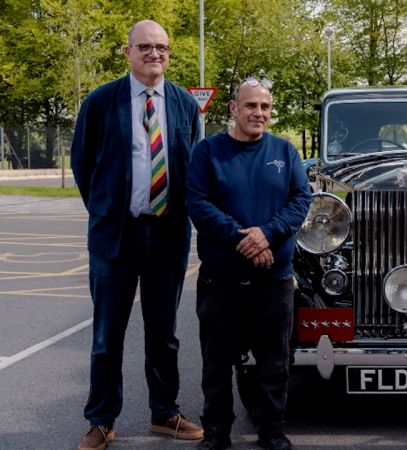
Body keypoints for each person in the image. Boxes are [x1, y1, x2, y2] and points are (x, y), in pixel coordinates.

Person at [71, 20, 203, 450]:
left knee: (163, 333)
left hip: (167, 236)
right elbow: (82, 163)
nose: (154, 54)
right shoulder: (101, 102)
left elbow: (189, 167)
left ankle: (164, 413)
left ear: (169, 53)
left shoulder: (184, 104)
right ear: (127, 52)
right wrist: (106, 208)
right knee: (108, 335)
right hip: (117, 237)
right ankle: (101, 420)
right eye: (145, 46)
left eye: (161, 47)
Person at [186, 78, 312, 450]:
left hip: (273, 280)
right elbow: (198, 203)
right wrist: (244, 239)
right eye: (251, 106)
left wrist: (268, 234)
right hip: (221, 280)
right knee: (216, 362)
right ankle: (216, 432)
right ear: (234, 109)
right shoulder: (208, 152)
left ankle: (271, 430)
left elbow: (300, 199)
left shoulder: (285, 152)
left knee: (275, 362)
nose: (259, 113)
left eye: (265, 107)